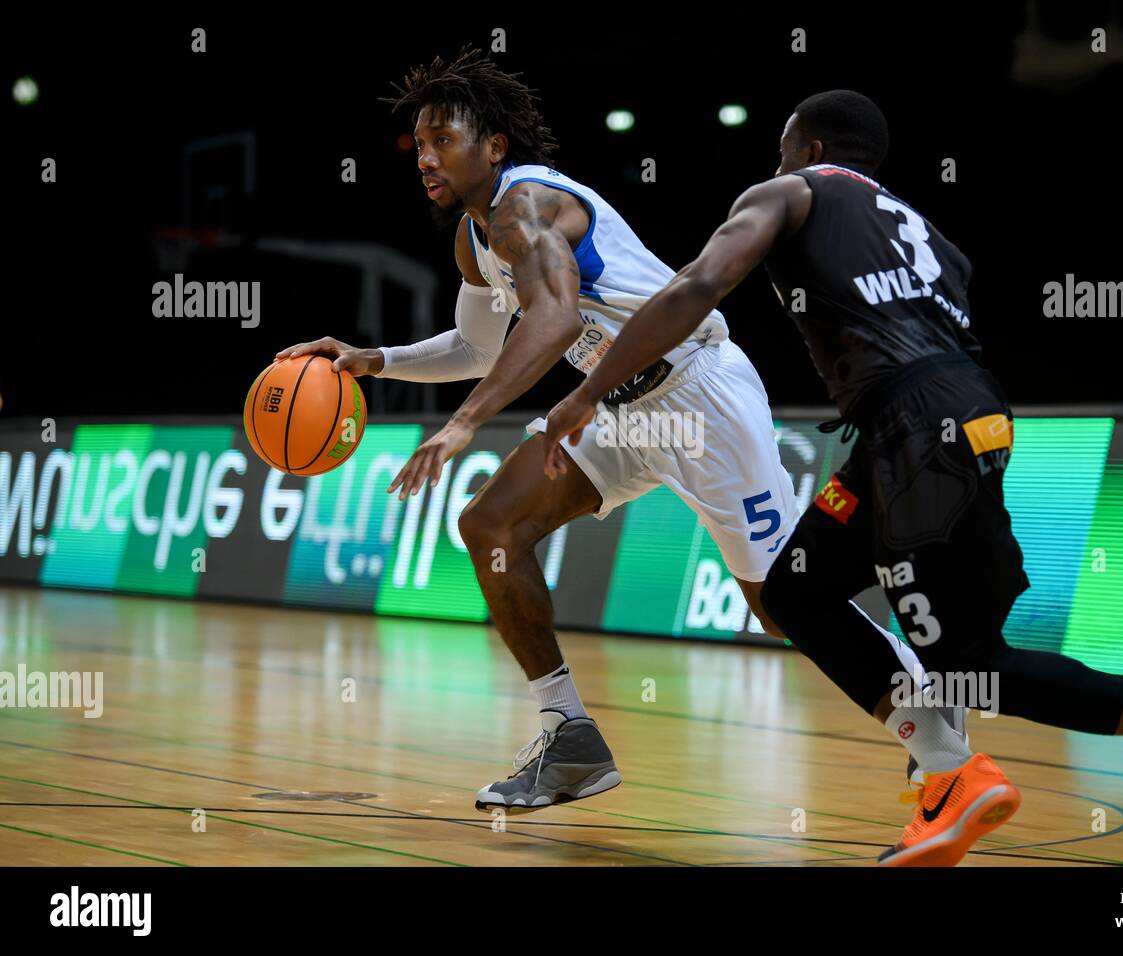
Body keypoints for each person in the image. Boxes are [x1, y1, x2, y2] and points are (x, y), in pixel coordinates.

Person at [543, 89, 1123, 865]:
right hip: (949, 413)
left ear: (809, 150)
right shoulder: (924, 232)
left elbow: (698, 288)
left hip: (917, 425)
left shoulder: (786, 192)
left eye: (781, 147)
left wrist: (587, 392)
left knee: (970, 669)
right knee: (796, 591)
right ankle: (947, 772)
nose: (774, 163)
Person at [276, 55, 962, 819]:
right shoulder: (476, 239)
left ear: (495, 146)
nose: (426, 155)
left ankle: (934, 721)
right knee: (491, 524)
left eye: (442, 137)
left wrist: (466, 423)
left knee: (781, 603)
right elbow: (475, 348)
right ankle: (568, 737)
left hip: (698, 396)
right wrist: (373, 361)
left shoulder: (525, 206)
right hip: (614, 410)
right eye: (418, 141)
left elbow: (555, 318)